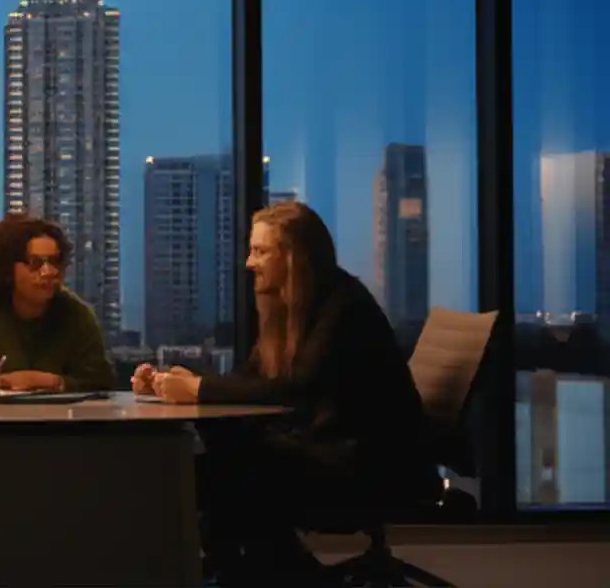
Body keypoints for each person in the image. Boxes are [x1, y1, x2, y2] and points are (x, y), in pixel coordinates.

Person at [132, 201, 434, 586]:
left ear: (294, 257)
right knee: (220, 460)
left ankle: (262, 573)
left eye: (260, 251)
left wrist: (199, 389)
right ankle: (261, 572)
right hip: (325, 449)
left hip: (365, 464)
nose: (248, 263)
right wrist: (176, 383)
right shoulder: (292, 310)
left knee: (227, 471)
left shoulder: (345, 307)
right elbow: (252, 379)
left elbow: (298, 389)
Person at [0, 213, 115, 394]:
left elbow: (101, 381)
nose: (49, 272)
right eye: (35, 263)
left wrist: (47, 381)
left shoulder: (77, 315)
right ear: (7, 268)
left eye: (55, 261)